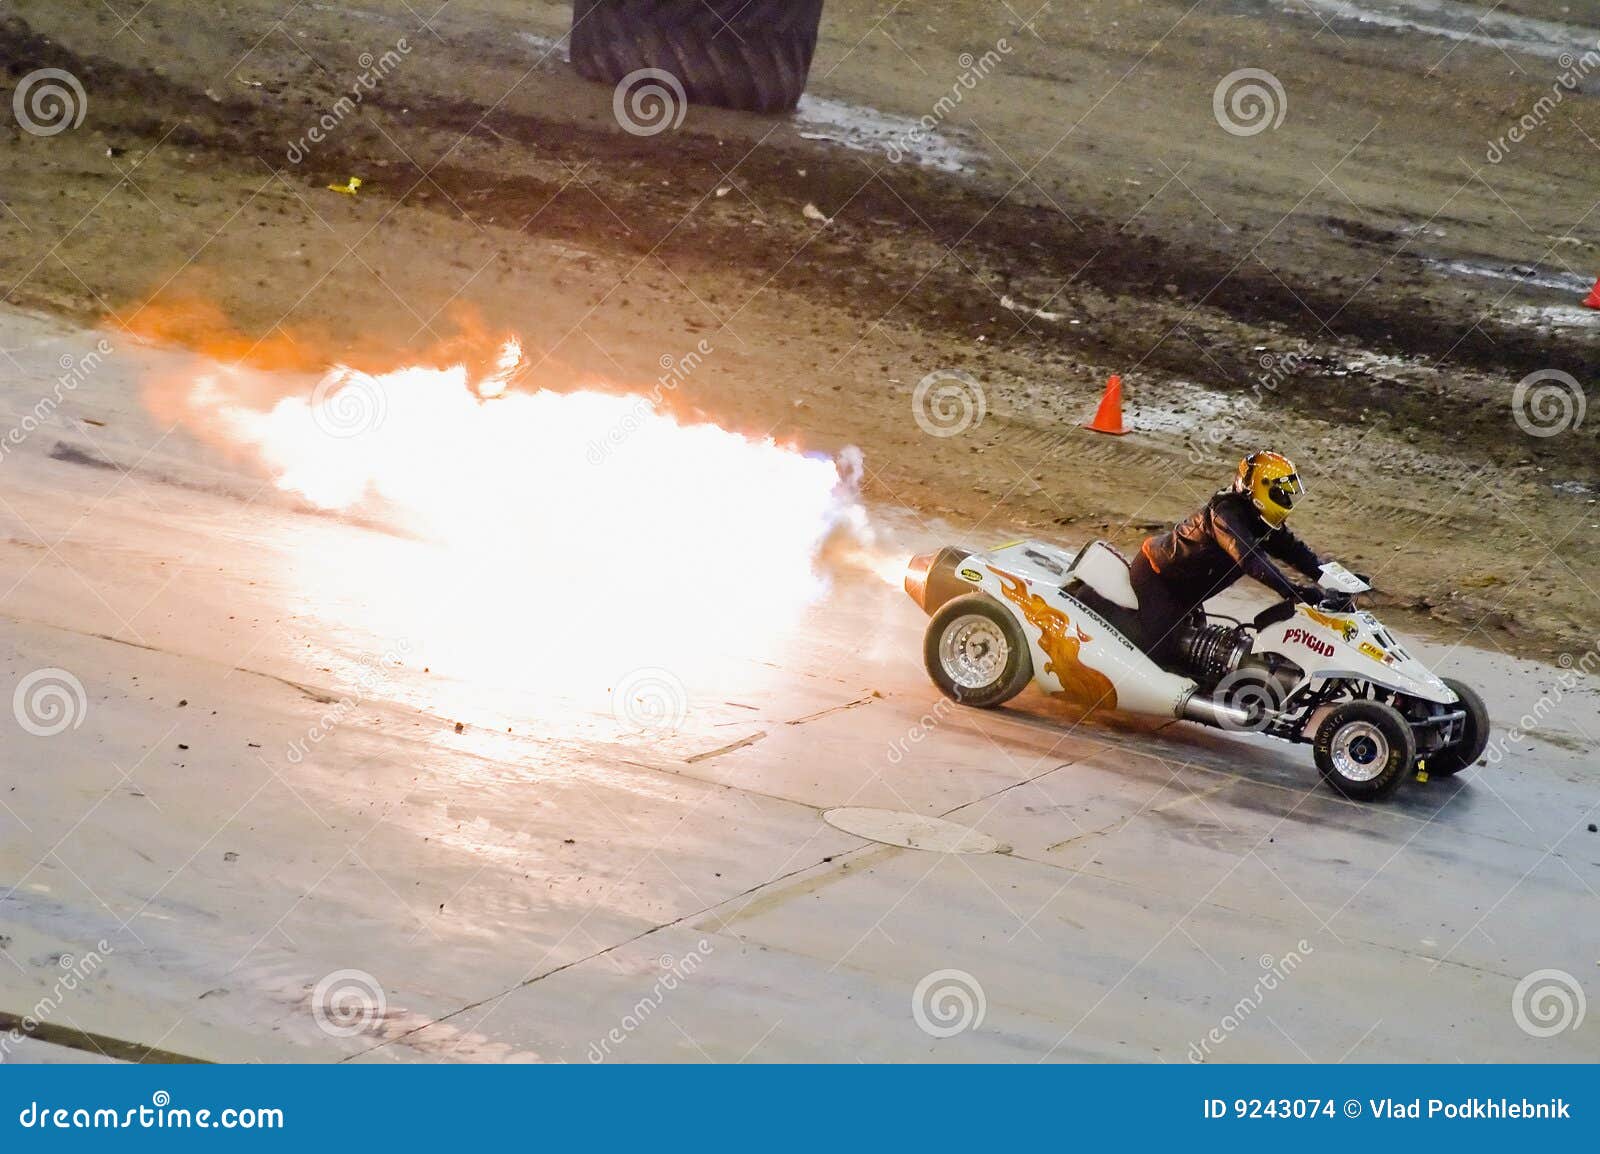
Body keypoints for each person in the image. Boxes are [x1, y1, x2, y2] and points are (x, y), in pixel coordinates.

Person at [1130, 451, 1324, 663]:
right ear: (1259, 487)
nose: (1286, 500)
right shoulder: (1225, 514)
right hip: (1156, 576)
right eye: (1280, 493)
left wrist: (1345, 581)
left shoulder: (1260, 520)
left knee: (1195, 654)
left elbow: (1298, 553)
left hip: (1185, 590)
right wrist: (1293, 592)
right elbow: (1251, 559)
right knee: (1163, 651)